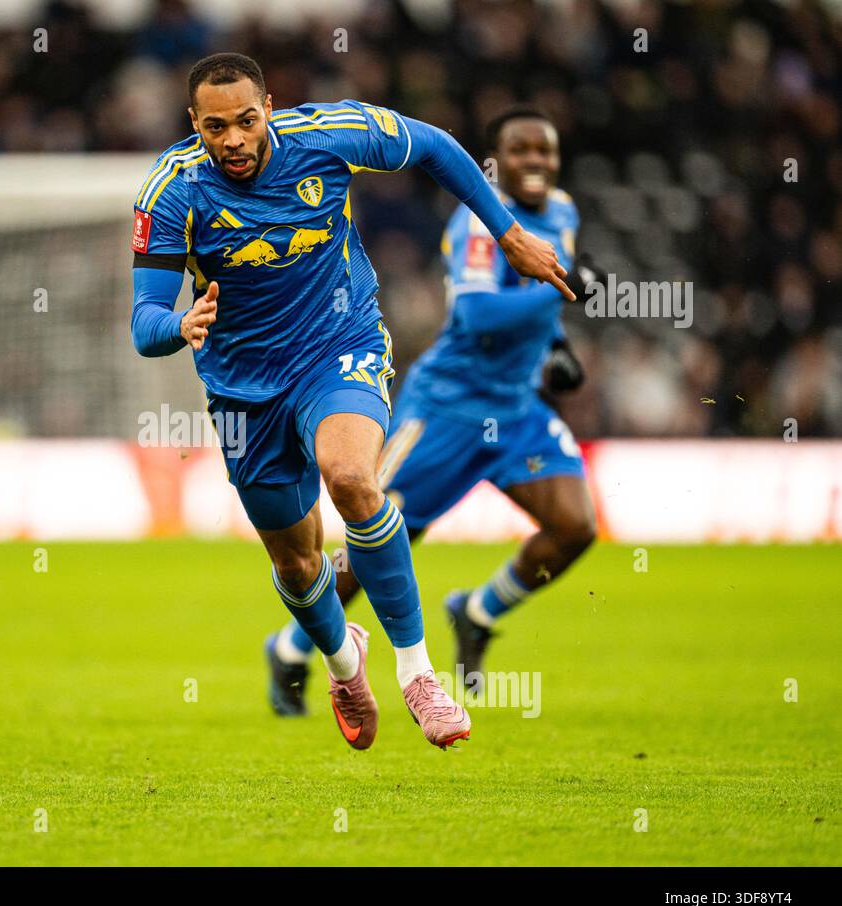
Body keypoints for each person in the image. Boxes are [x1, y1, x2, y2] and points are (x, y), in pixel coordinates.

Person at [130, 55, 573, 751]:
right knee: (296, 564)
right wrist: (178, 327)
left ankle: (420, 673)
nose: (235, 140)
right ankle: (344, 664)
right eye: (216, 128)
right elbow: (144, 320)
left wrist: (506, 232)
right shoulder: (172, 190)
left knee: (352, 479)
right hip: (242, 389)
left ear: (268, 106)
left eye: (247, 121)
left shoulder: (331, 133)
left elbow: (433, 146)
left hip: (339, 347)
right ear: (195, 125)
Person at [265, 106, 602, 716]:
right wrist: (558, 294)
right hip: (448, 406)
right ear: (497, 163)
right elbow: (477, 315)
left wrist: (556, 348)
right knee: (383, 534)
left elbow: (544, 298)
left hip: (517, 407)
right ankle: (290, 646)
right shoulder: (477, 226)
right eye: (520, 151)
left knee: (575, 526)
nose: (535, 162)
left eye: (545, 151)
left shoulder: (564, 212)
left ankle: (476, 612)